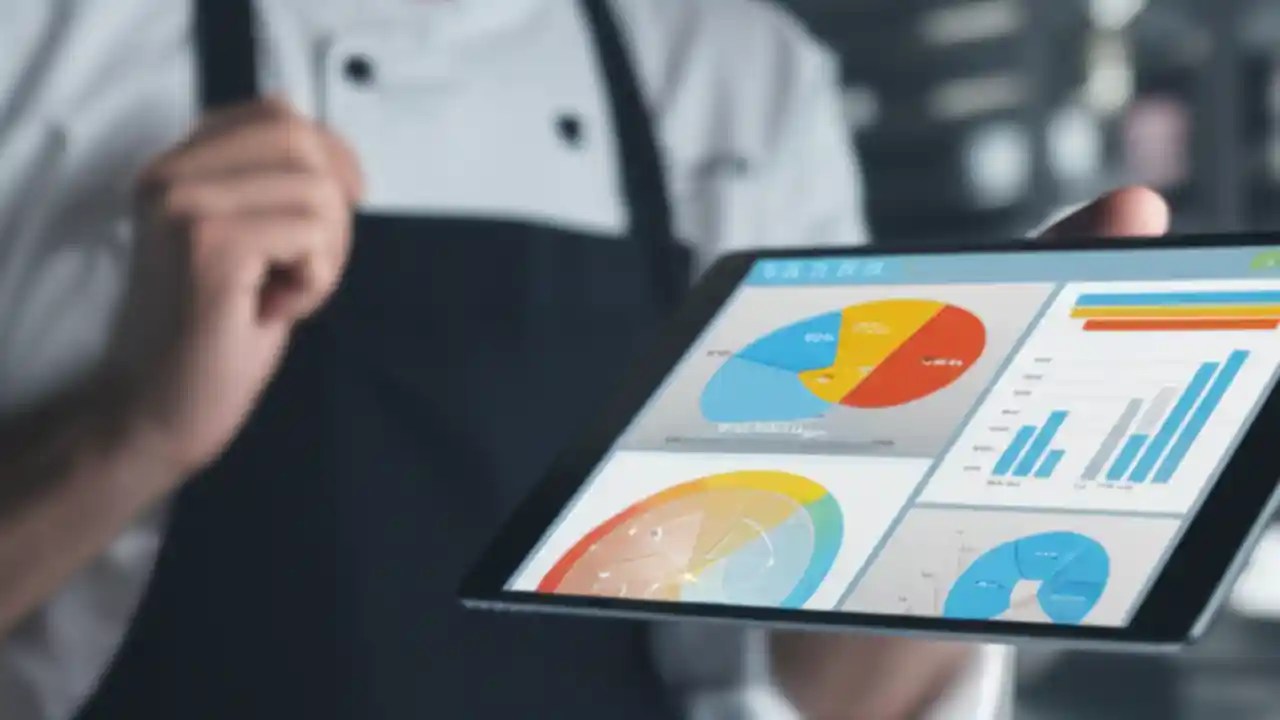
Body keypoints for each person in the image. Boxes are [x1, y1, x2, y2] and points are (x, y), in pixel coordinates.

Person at [0, 1, 1171, 718]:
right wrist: (134, 431)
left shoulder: (741, 77)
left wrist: (945, 549)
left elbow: (770, 692)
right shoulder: (44, 40)